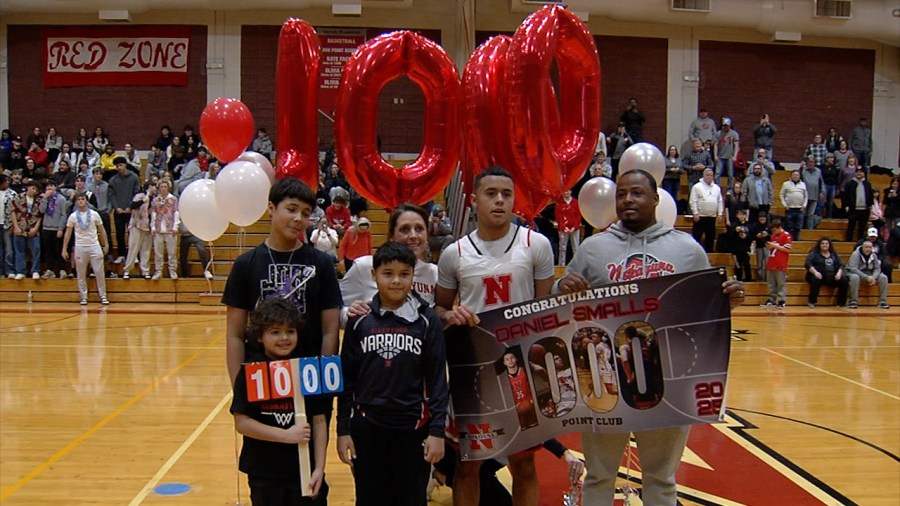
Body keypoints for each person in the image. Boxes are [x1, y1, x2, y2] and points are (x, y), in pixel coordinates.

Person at [555, 169, 744, 506]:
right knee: (599, 476)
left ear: (656, 199)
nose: (628, 199)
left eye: (638, 193)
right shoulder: (592, 248)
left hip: (666, 380)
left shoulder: (687, 249)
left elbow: (705, 304)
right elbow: (560, 305)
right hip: (605, 381)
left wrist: (726, 296)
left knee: (660, 479)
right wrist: (562, 287)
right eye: (622, 194)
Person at [436, 165, 555, 506]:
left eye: (506, 194)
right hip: (472, 371)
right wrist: (451, 314)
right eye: (491, 194)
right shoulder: (453, 253)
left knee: (524, 462)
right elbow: (438, 310)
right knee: (468, 463)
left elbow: (545, 308)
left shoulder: (537, 245)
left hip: (521, 371)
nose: (499, 200)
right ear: (473, 201)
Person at [336, 241, 448, 506]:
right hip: (367, 428)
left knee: (411, 499)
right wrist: (342, 429)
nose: (396, 281)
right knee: (370, 499)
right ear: (374, 275)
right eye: (388, 273)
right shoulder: (360, 320)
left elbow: (437, 379)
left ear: (413, 275)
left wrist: (437, 431)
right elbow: (347, 378)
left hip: (413, 428)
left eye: (404, 274)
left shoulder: (427, 319)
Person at [222, 176, 342, 383]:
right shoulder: (245, 264)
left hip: (309, 380)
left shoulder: (321, 264)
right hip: (260, 380)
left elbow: (330, 332)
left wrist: (324, 388)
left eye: (305, 214)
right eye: (292, 209)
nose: (298, 218)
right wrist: (238, 390)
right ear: (271, 208)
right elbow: (235, 334)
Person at [230, 297, 328, 504]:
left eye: (290, 331)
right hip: (264, 474)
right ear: (259, 337)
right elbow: (242, 423)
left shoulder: (307, 370)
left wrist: (319, 468)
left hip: (304, 471)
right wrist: (285, 435)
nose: (284, 338)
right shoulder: (250, 372)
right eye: (275, 332)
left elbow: (319, 420)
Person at [341, 203, 438, 327]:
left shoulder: (434, 274)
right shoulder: (364, 267)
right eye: (405, 229)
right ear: (391, 236)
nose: (413, 236)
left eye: (419, 229)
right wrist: (349, 313)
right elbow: (335, 312)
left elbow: (436, 323)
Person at [62, 191, 110, 305]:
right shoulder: (73, 216)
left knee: (99, 272)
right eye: (78, 200)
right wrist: (64, 249)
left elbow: (102, 230)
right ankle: (83, 296)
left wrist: (106, 244)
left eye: (82, 199)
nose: (80, 201)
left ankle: (103, 295)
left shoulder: (94, 214)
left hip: (94, 245)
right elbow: (68, 233)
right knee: (81, 273)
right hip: (80, 246)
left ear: (87, 201)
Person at [108, 157, 140, 264]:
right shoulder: (113, 180)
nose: (119, 168)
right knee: (119, 234)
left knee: (133, 234)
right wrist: (116, 207)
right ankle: (121, 255)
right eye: (117, 166)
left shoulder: (134, 177)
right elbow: (111, 196)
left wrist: (130, 207)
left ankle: (134, 255)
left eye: (120, 165)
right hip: (119, 211)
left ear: (125, 165)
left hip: (131, 211)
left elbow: (136, 193)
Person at [9, 181, 43, 280]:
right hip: (20, 227)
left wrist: (36, 228)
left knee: (36, 250)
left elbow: (40, 216)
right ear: (28, 187)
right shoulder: (18, 197)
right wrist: (16, 227)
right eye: (33, 188)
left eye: (36, 190)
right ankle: (20, 271)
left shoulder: (39, 200)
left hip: (33, 228)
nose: (35, 191)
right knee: (19, 251)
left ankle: (35, 270)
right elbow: (13, 212)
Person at [122, 182, 155, 280]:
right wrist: (143, 201)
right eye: (153, 186)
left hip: (148, 227)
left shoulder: (155, 199)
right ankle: (127, 270)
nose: (155, 188)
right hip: (137, 225)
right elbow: (133, 205)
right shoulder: (140, 196)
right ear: (149, 187)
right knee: (133, 248)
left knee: (146, 250)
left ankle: (145, 271)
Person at [805, 237, 848, 308]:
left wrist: (839, 273)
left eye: (826, 243)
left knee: (844, 280)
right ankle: (812, 302)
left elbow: (841, 264)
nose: (824, 245)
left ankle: (841, 303)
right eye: (822, 243)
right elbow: (807, 263)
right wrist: (815, 272)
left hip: (831, 276)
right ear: (819, 245)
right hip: (817, 275)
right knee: (816, 280)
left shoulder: (834, 254)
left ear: (829, 245)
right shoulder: (814, 253)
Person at [846, 241, 890, 309]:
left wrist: (873, 277)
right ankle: (853, 301)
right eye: (866, 247)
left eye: (870, 247)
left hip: (869, 274)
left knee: (883, 277)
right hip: (854, 273)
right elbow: (853, 269)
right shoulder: (855, 254)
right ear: (862, 247)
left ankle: (882, 301)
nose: (868, 249)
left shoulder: (874, 255)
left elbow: (877, 268)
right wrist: (866, 277)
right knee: (855, 277)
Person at [39, 181, 69, 278]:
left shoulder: (61, 199)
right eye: (47, 187)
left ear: (55, 187)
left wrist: (61, 228)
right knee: (48, 251)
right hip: (46, 228)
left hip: (56, 228)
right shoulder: (44, 198)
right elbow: (41, 210)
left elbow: (64, 215)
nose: (49, 188)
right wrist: (45, 198)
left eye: (51, 186)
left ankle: (61, 270)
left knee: (59, 250)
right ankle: (49, 269)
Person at [689, 168, 723, 252]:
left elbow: (720, 201)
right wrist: (695, 213)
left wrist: (720, 213)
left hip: (711, 217)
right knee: (697, 237)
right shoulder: (697, 186)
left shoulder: (716, 188)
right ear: (703, 176)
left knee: (710, 238)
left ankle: (709, 255)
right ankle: (695, 254)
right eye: (707, 175)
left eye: (711, 175)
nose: (709, 177)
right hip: (700, 217)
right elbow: (693, 200)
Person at [763, 218, 792, 308]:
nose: (773, 232)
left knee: (780, 283)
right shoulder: (773, 236)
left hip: (780, 263)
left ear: (779, 227)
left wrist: (774, 245)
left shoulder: (786, 236)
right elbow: (773, 249)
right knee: (771, 283)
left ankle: (781, 300)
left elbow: (787, 249)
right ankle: (772, 299)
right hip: (772, 261)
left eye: (775, 230)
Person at [842, 165, 873, 242]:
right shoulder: (850, 183)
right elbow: (846, 195)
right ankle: (848, 240)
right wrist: (846, 205)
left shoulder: (867, 184)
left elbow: (870, 195)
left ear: (863, 173)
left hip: (865, 209)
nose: (859, 173)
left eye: (861, 172)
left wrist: (870, 205)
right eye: (857, 172)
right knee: (851, 226)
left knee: (862, 227)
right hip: (853, 209)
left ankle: (860, 241)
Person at [555, 189, 581, 266]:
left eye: (568, 191)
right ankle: (561, 265)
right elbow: (558, 217)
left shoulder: (576, 202)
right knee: (562, 248)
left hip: (574, 229)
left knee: (576, 247)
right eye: (564, 191)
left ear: (571, 191)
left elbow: (579, 216)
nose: (566, 192)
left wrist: (574, 227)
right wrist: (564, 227)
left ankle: (577, 265)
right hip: (563, 229)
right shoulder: (559, 203)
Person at [780, 169, 807, 241]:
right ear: (791, 176)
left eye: (797, 175)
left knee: (798, 226)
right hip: (789, 209)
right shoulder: (785, 184)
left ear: (799, 176)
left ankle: (796, 240)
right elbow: (781, 195)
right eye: (794, 175)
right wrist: (785, 205)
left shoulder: (803, 184)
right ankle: (789, 240)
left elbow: (806, 196)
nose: (795, 176)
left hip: (800, 209)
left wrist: (804, 205)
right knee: (789, 226)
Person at [715, 117, 740, 193]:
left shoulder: (734, 134)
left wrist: (735, 155)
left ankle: (729, 189)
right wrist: (715, 155)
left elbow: (736, 145)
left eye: (727, 125)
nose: (725, 127)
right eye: (724, 125)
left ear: (730, 125)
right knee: (717, 173)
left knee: (730, 174)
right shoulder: (718, 133)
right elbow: (715, 144)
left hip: (729, 156)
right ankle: (717, 188)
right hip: (720, 156)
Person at [801, 156, 825, 230]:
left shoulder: (818, 171)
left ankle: (809, 229)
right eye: (809, 162)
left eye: (812, 162)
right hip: (804, 196)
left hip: (814, 196)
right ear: (807, 163)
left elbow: (821, 182)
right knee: (803, 214)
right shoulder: (803, 170)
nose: (811, 164)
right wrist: (800, 168)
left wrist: (822, 192)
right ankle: (802, 228)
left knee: (810, 214)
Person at [730, 208, 753, 282]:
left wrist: (746, 236)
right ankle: (737, 280)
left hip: (746, 248)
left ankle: (748, 280)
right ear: (737, 215)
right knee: (737, 266)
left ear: (746, 215)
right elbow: (730, 236)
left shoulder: (749, 225)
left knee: (747, 265)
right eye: (740, 214)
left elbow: (752, 237)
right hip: (736, 249)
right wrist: (735, 231)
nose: (742, 216)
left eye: (743, 214)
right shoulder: (734, 225)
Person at [0, 174, 15, 278]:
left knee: (9, 249)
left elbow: (16, 211)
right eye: (5, 181)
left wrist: (14, 225)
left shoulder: (12, 194)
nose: (7, 183)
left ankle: (9, 271)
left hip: (7, 225)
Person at [750, 212, 771, 281]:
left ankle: (768, 279)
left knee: (768, 264)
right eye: (760, 219)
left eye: (763, 219)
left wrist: (767, 235)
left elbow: (772, 236)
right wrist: (757, 236)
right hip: (759, 246)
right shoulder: (755, 226)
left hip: (767, 246)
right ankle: (760, 278)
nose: (762, 221)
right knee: (759, 264)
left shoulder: (769, 226)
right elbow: (752, 236)